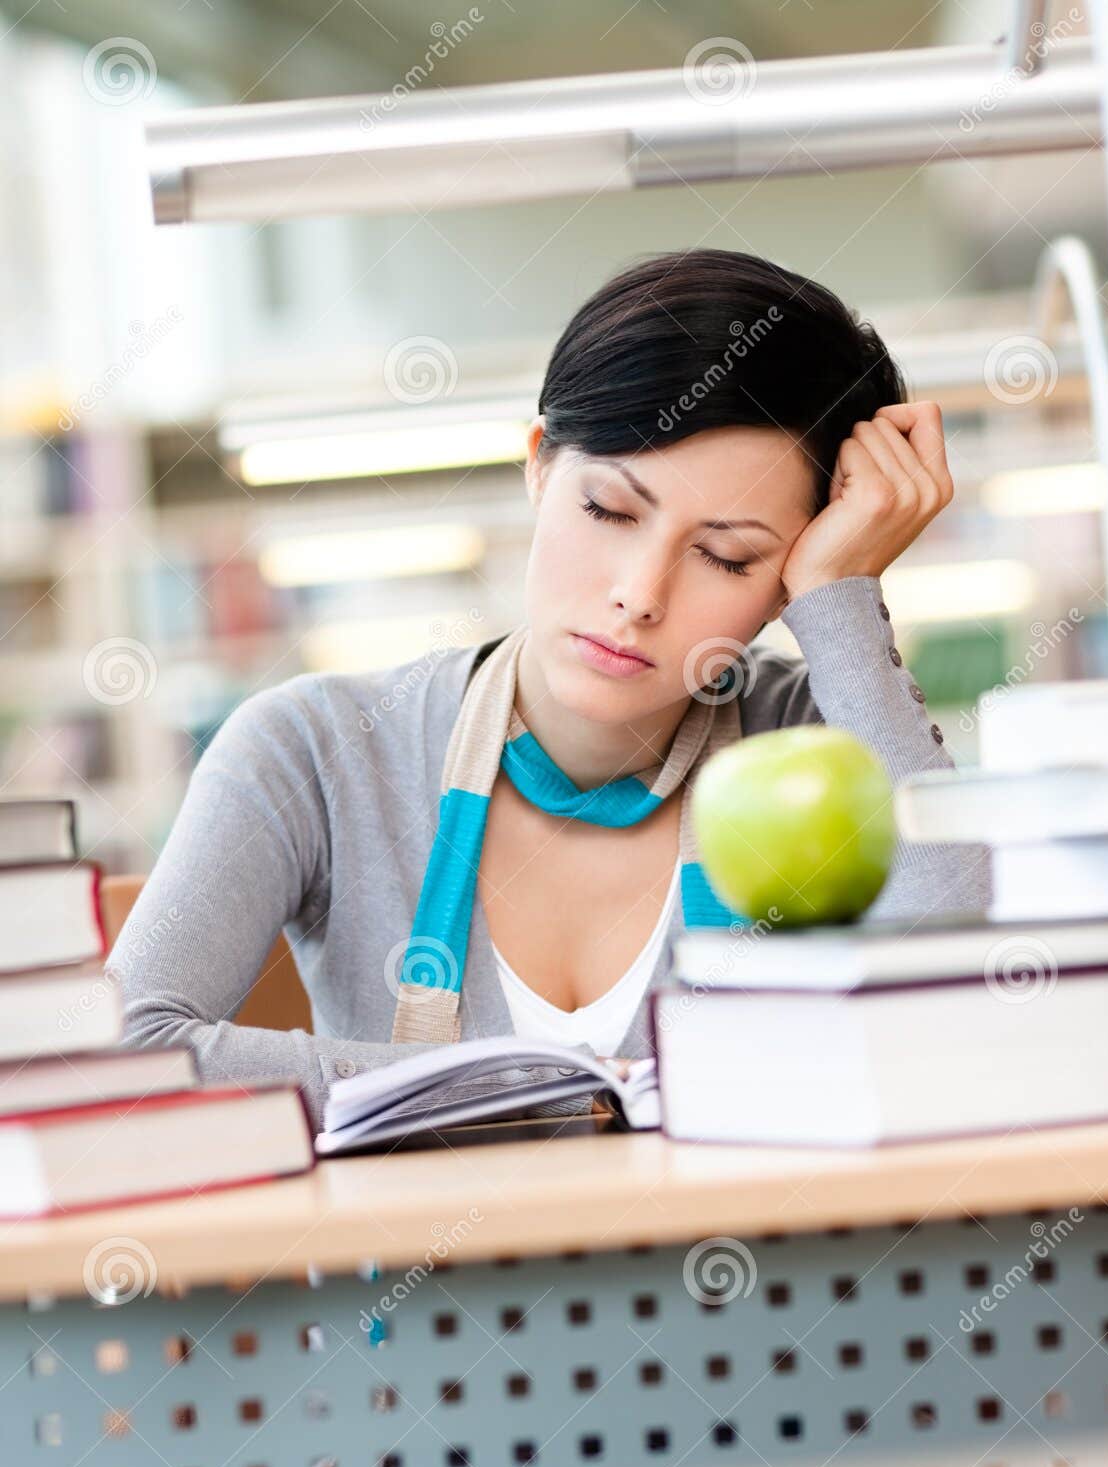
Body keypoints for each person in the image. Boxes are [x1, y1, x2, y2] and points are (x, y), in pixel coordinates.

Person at [105, 248, 990, 1127]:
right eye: (607, 510)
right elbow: (126, 1054)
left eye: (728, 556)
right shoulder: (317, 750)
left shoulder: (822, 740)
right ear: (538, 466)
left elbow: (968, 1021)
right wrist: (549, 1091)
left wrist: (842, 605)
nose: (638, 596)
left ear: (788, 575)